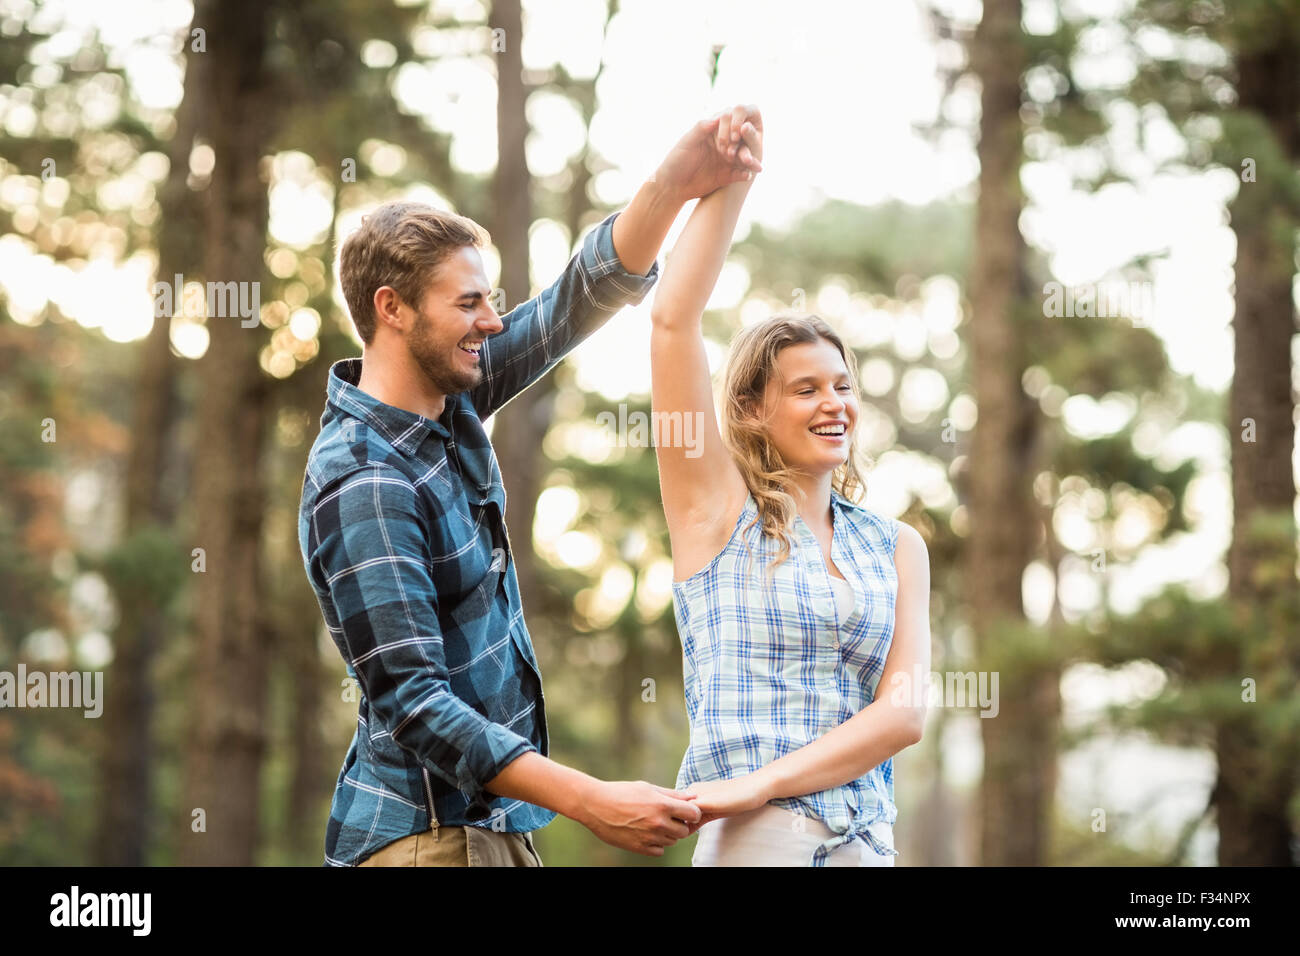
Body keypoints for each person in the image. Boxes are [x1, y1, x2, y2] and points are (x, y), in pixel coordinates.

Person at [297, 108, 761, 867]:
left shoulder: (446, 404)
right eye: (469, 302)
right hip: (427, 842)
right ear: (392, 308)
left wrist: (676, 185)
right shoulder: (366, 477)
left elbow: (569, 304)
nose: (491, 319)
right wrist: (592, 801)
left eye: (490, 298)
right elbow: (415, 703)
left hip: (485, 834)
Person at [650, 105, 933, 866]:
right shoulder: (714, 513)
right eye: (805, 389)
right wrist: (732, 182)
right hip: (758, 843)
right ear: (751, 408)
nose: (834, 403)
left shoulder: (896, 546)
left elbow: (903, 716)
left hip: (868, 844)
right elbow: (673, 321)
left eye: (842, 386)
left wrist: (761, 781)